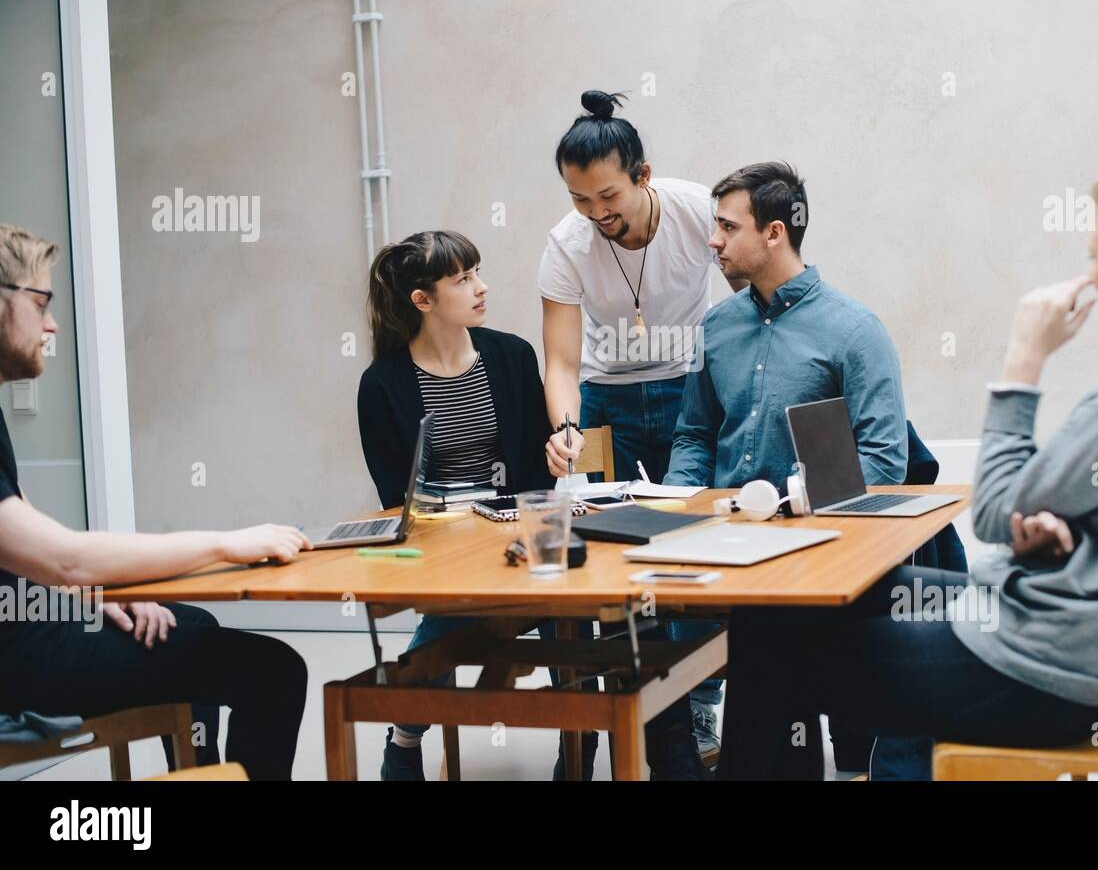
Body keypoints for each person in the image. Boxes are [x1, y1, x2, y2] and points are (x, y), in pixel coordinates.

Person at [716, 162, 1098, 779]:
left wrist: (1025, 358)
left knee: (768, 635)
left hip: (1036, 672)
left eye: (1094, 254)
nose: (1088, 274)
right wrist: (1072, 540)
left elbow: (994, 515)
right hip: (1050, 642)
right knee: (806, 604)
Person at [0, 223, 310, 781]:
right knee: (274, 669)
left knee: (184, 622)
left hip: (27, 626)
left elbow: (30, 547)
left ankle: (204, 771)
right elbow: (66, 558)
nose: (51, 324)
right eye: (41, 301)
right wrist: (226, 543)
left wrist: (97, 593)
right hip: (15, 657)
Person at [538, 90, 737, 772]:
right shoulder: (566, 244)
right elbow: (561, 360)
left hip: (689, 391)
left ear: (644, 176)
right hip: (604, 402)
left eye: (608, 197)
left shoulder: (695, 210)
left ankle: (699, 694)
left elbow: (749, 299)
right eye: (579, 199)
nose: (595, 214)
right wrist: (565, 429)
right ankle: (614, 702)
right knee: (606, 542)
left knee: (698, 544)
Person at [357, 230, 556, 780]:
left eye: (477, 272)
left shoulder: (511, 356)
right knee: (457, 600)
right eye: (463, 279)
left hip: (517, 526)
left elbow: (537, 470)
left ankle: (577, 737)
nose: (481, 287)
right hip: (442, 542)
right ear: (422, 301)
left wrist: (557, 458)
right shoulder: (382, 384)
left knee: (567, 593)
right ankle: (406, 735)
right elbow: (394, 497)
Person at [664, 160, 908, 491]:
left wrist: (793, 503)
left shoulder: (857, 332)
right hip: (723, 529)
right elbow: (694, 436)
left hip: (820, 530)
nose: (714, 240)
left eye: (729, 227)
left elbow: (883, 459)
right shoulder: (715, 326)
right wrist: (674, 503)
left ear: (774, 232)